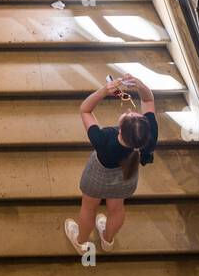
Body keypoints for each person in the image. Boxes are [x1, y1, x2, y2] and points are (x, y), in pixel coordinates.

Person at [65, 74, 158, 255]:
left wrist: (104, 91)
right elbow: (148, 99)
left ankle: (82, 243)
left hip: (97, 177)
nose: (131, 112)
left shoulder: (104, 139)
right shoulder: (149, 137)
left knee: (89, 208)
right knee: (117, 208)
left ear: (121, 130)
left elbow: (85, 110)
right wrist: (140, 84)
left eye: (129, 115)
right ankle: (107, 240)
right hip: (127, 176)